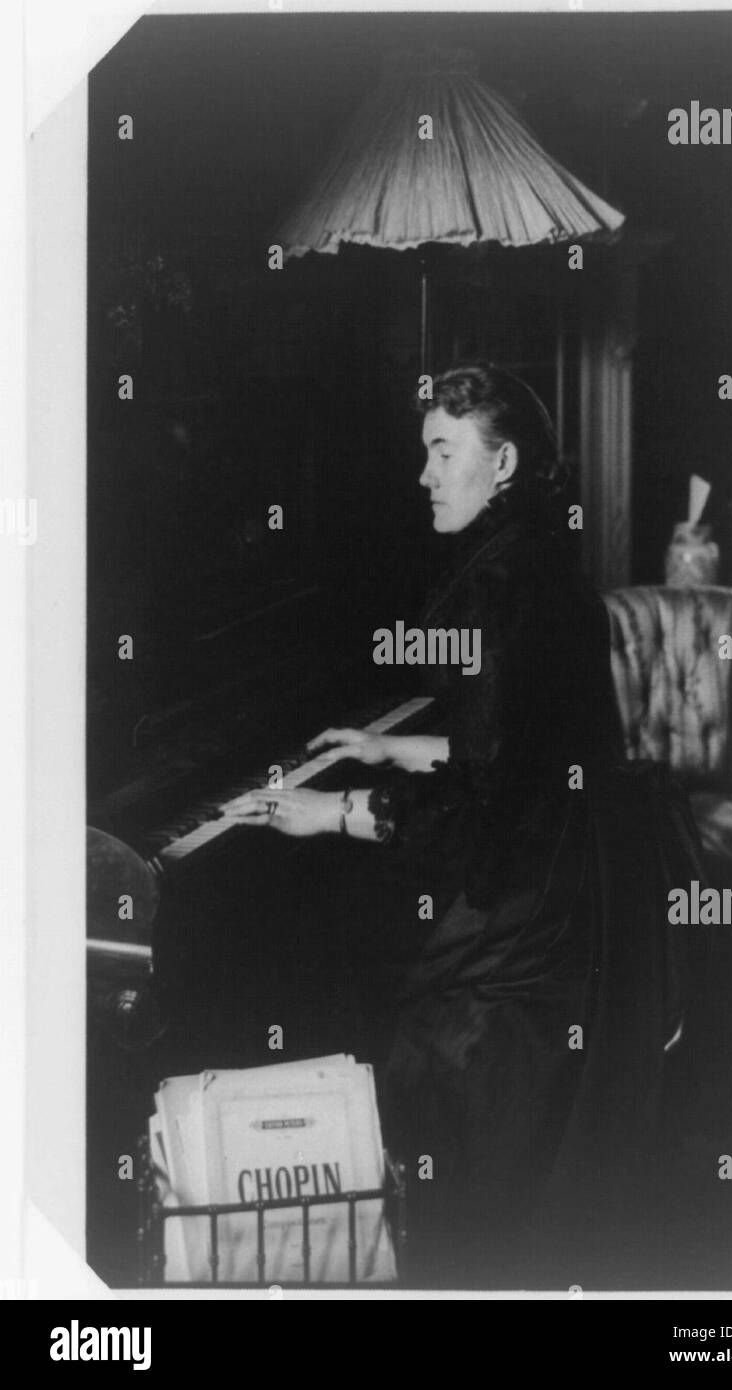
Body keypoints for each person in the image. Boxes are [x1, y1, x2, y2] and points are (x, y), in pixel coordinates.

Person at [225, 363, 704, 1288]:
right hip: (590, 870)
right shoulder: (534, 560)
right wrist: (393, 748)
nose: (425, 474)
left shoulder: (498, 583)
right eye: (426, 453)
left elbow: (489, 812)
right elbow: (519, 750)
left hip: (543, 899)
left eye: (445, 451)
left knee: (427, 1053)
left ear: (505, 460)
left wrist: (332, 808)